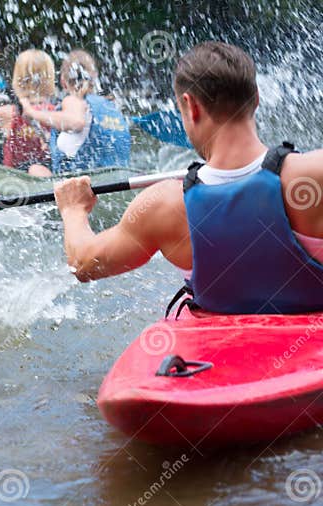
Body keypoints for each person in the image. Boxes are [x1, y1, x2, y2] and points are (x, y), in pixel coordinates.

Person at [54, 41, 323, 314]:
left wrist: (73, 209)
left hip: (219, 353)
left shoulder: (164, 205)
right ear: (255, 98)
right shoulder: (312, 175)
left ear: (190, 106)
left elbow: (83, 263)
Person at [19, 49, 131, 177]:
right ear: (94, 78)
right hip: (118, 183)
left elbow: (76, 122)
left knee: (35, 169)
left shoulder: (74, 100)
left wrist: (32, 112)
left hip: (85, 189)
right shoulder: (111, 107)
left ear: (63, 81)